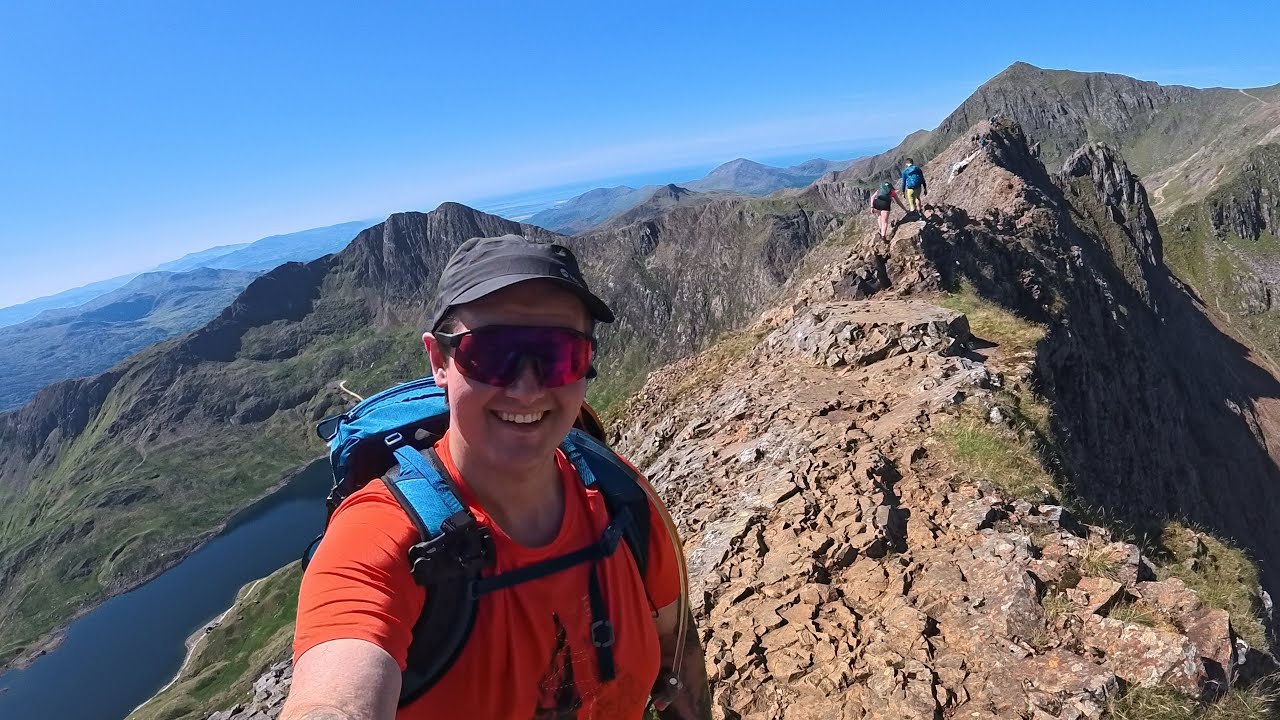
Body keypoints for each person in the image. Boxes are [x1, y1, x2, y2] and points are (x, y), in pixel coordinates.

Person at [282, 234, 711, 720]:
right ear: (439, 361)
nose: (527, 389)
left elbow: (677, 651)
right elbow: (334, 697)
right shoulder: (381, 539)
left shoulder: (620, 498)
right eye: (490, 353)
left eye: (560, 354)